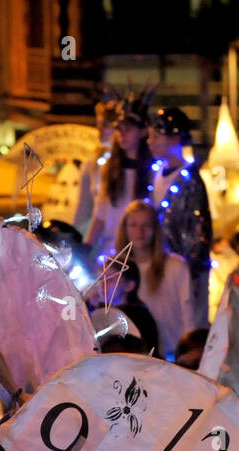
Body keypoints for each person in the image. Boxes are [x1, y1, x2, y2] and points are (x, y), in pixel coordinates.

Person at [145, 106, 212, 326]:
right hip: (159, 270)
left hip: (184, 275)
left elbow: (199, 233)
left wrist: (190, 272)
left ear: (174, 137)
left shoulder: (191, 181)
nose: (149, 141)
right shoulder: (156, 174)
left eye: (156, 135)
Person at [112, 200, 194, 360]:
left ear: (155, 230)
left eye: (146, 225)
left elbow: (188, 313)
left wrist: (187, 352)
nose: (139, 231)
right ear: (125, 229)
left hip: (171, 353)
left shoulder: (176, 266)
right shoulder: (115, 268)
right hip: (131, 356)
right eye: (133, 225)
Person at [83, 93, 152, 261]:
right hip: (112, 253)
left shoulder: (153, 171)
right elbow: (100, 214)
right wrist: (86, 247)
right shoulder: (109, 168)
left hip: (143, 254)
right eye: (119, 129)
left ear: (143, 131)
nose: (122, 134)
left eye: (128, 129)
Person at [75, 99, 121, 239]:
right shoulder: (92, 163)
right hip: (96, 235)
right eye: (98, 125)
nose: (100, 130)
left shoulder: (128, 164)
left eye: (106, 125)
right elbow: (83, 206)